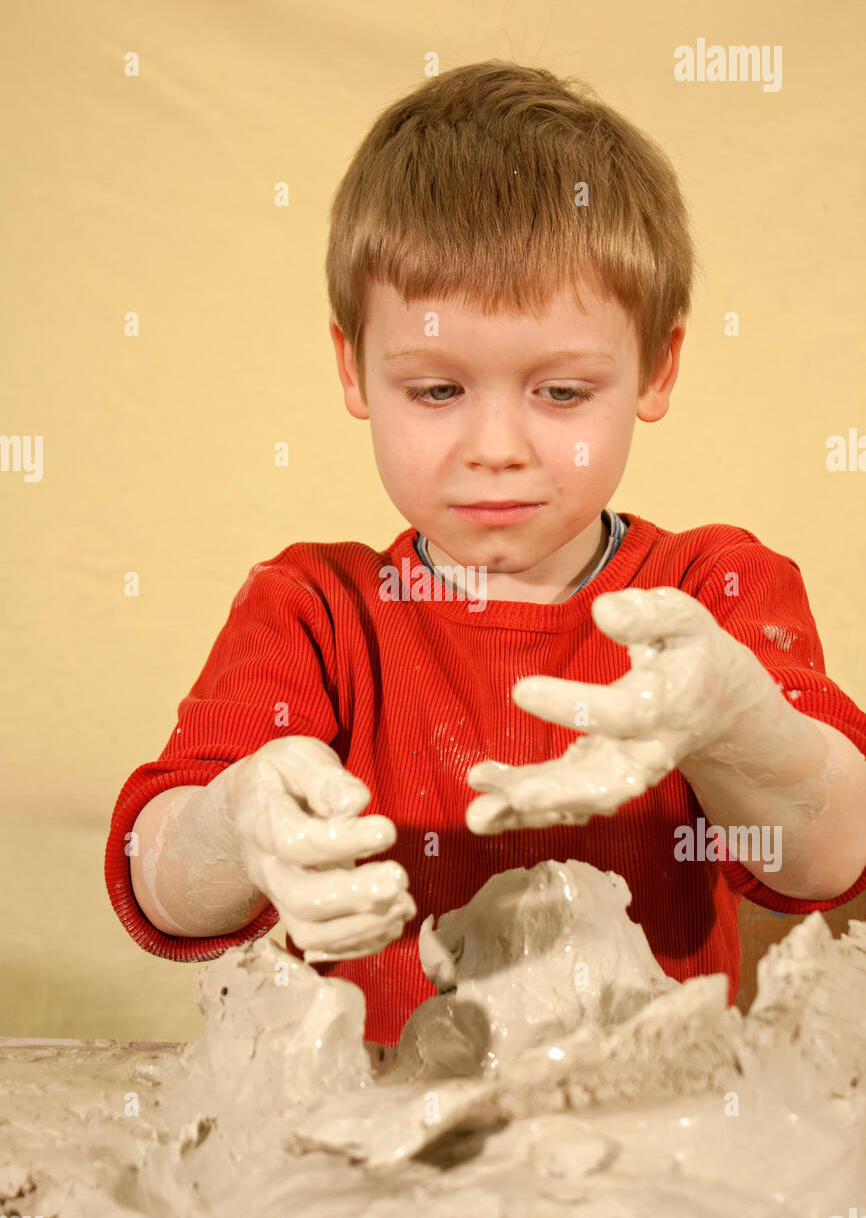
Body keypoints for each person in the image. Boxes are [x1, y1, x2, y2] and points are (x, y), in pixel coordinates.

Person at [104, 61, 866, 1048]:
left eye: (558, 393)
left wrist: (734, 723)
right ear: (353, 368)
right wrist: (231, 830)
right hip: (368, 1166)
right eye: (435, 391)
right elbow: (155, 878)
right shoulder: (312, 607)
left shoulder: (709, 593)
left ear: (655, 365)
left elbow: (828, 855)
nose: (495, 445)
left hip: (639, 1155)